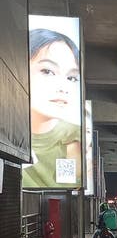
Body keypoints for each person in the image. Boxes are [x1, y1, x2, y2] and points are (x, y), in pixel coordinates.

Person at [23, 29, 81, 189]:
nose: (63, 87)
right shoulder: (7, 136)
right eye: (47, 71)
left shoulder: (80, 139)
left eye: (71, 77)